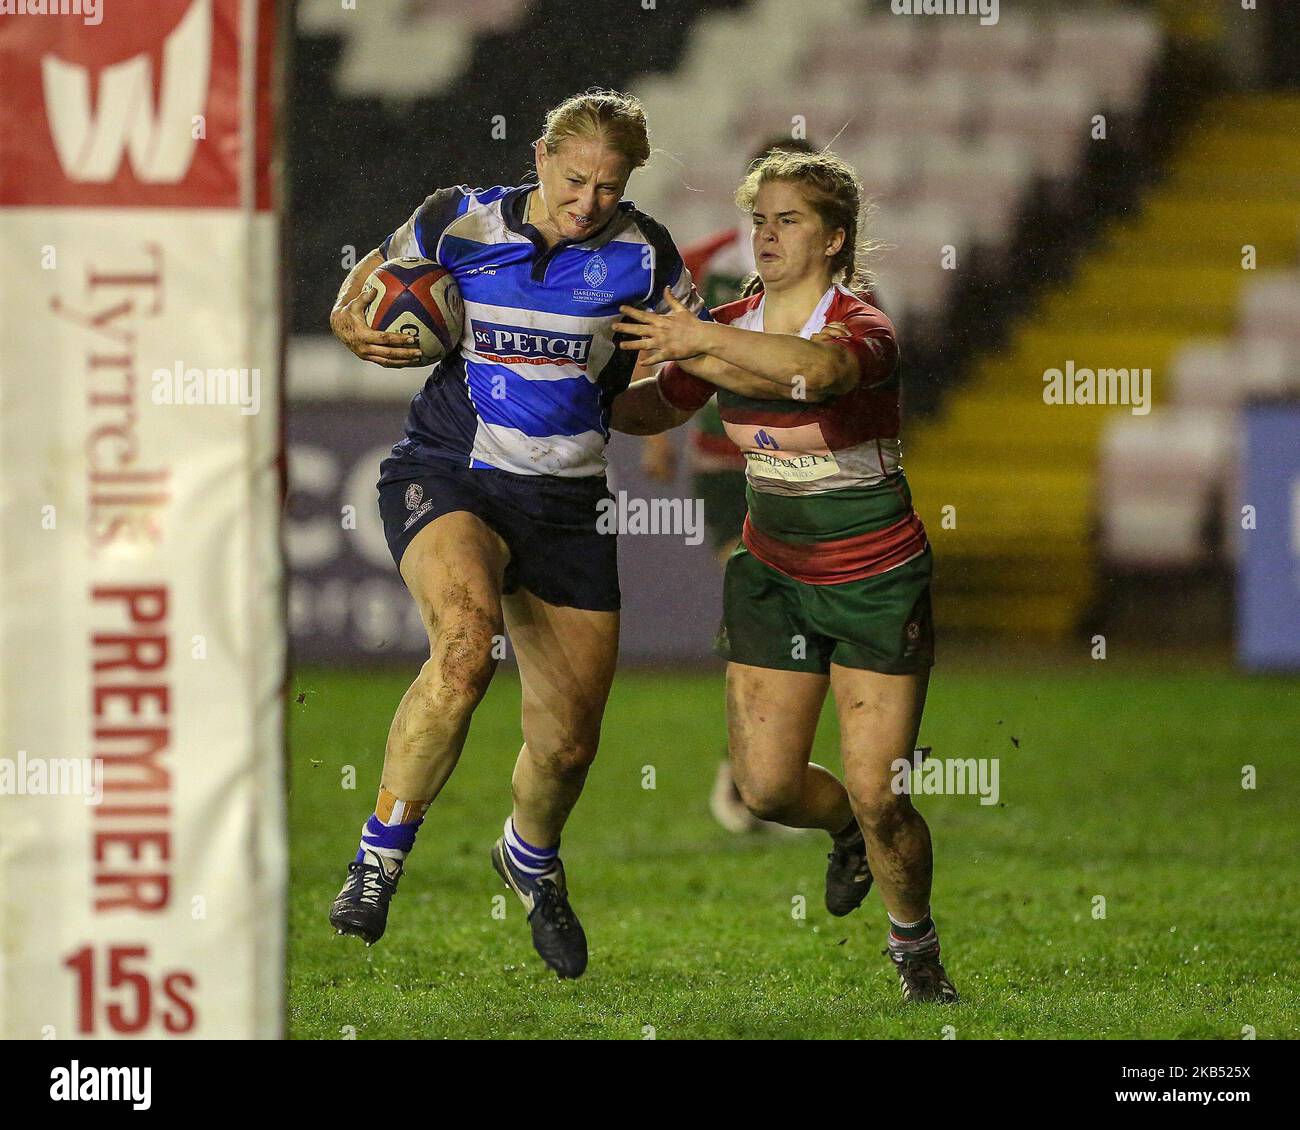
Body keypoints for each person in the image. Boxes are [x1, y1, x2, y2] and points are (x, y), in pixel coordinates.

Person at [325, 90, 706, 980]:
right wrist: (352, 321)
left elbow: (676, 378)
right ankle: (378, 857)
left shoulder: (645, 258)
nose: (588, 203)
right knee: (464, 650)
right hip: (449, 469)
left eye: (610, 188)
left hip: (566, 501)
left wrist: (663, 398)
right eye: (575, 180)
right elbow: (367, 288)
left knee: (569, 742)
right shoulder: (457, 221)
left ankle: (529, 855)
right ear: (540, 157)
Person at [610, 149, 958, 1004]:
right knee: (764, 788)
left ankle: (914, 948)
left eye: (789, 219)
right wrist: (559, 383)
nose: (765, 235)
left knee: (883, 793)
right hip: (772, 570)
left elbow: (819, 374)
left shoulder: (863, 326)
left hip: (875, 574)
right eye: (759, 219)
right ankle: (842, 831)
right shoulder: (726, 321)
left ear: (836, 238)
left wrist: (699, 338)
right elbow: (657, 404)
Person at [643, 135, 820, 835]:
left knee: (796, 622)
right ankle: (749, 775)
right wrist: (658, 432)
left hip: (805, 468)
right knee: (763, 605)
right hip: (728, 465)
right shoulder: (705, 264)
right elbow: (657, 345)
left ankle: (758, 773)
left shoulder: (843, 284)